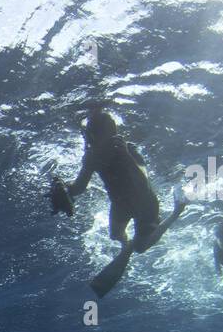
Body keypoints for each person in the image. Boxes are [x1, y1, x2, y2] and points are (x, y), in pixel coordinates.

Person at [50, 107, 188, 296]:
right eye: (99, 137)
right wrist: (63, 188)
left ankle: (175, 212)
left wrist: (125, 156)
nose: (106, 142)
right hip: (120, 204)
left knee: (140, 248)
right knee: (115, 236)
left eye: (110, 135)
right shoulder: (92, 156)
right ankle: (126, 245)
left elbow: (143, 184)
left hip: (144, 204)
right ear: (92, 137)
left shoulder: (128, 149)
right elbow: (79, 187)